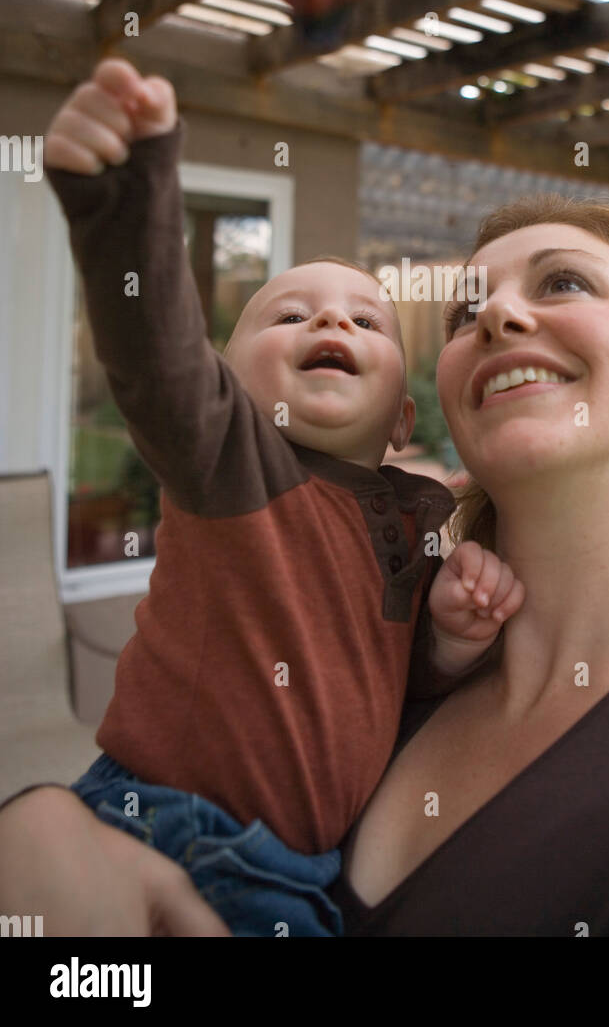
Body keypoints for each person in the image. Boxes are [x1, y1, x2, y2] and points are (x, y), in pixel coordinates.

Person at [3, 193, 609, 935]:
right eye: (465, 313)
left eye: (563, 282)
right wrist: (37, 824)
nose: (495, 316)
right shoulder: (390, 658)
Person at [15, 59, 523, 937]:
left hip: (299, 870)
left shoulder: (421, 517)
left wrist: (451, 637)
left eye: (366, 322)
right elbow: (156, 352)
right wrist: (124, 198)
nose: (331, 324)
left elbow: (398, 681)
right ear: (227, 385)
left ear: (403, 416)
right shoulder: (232, 461)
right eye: (289, 315)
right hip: (160, 819)